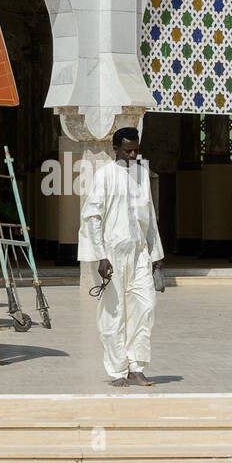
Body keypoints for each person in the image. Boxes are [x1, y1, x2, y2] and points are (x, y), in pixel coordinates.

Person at [78, 126, 164, 388]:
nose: (133, 155)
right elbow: (92, 217)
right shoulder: (104, 175)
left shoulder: (142, 174)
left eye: (136, 150)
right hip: (112, 256)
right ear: (115, 149)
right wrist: (101, 256)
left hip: (139, 254)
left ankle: (136, 366)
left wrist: (156, 254)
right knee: (114, 313)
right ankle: (117, 369)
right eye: (128, 151)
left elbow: (149, 215)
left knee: (145, 306)